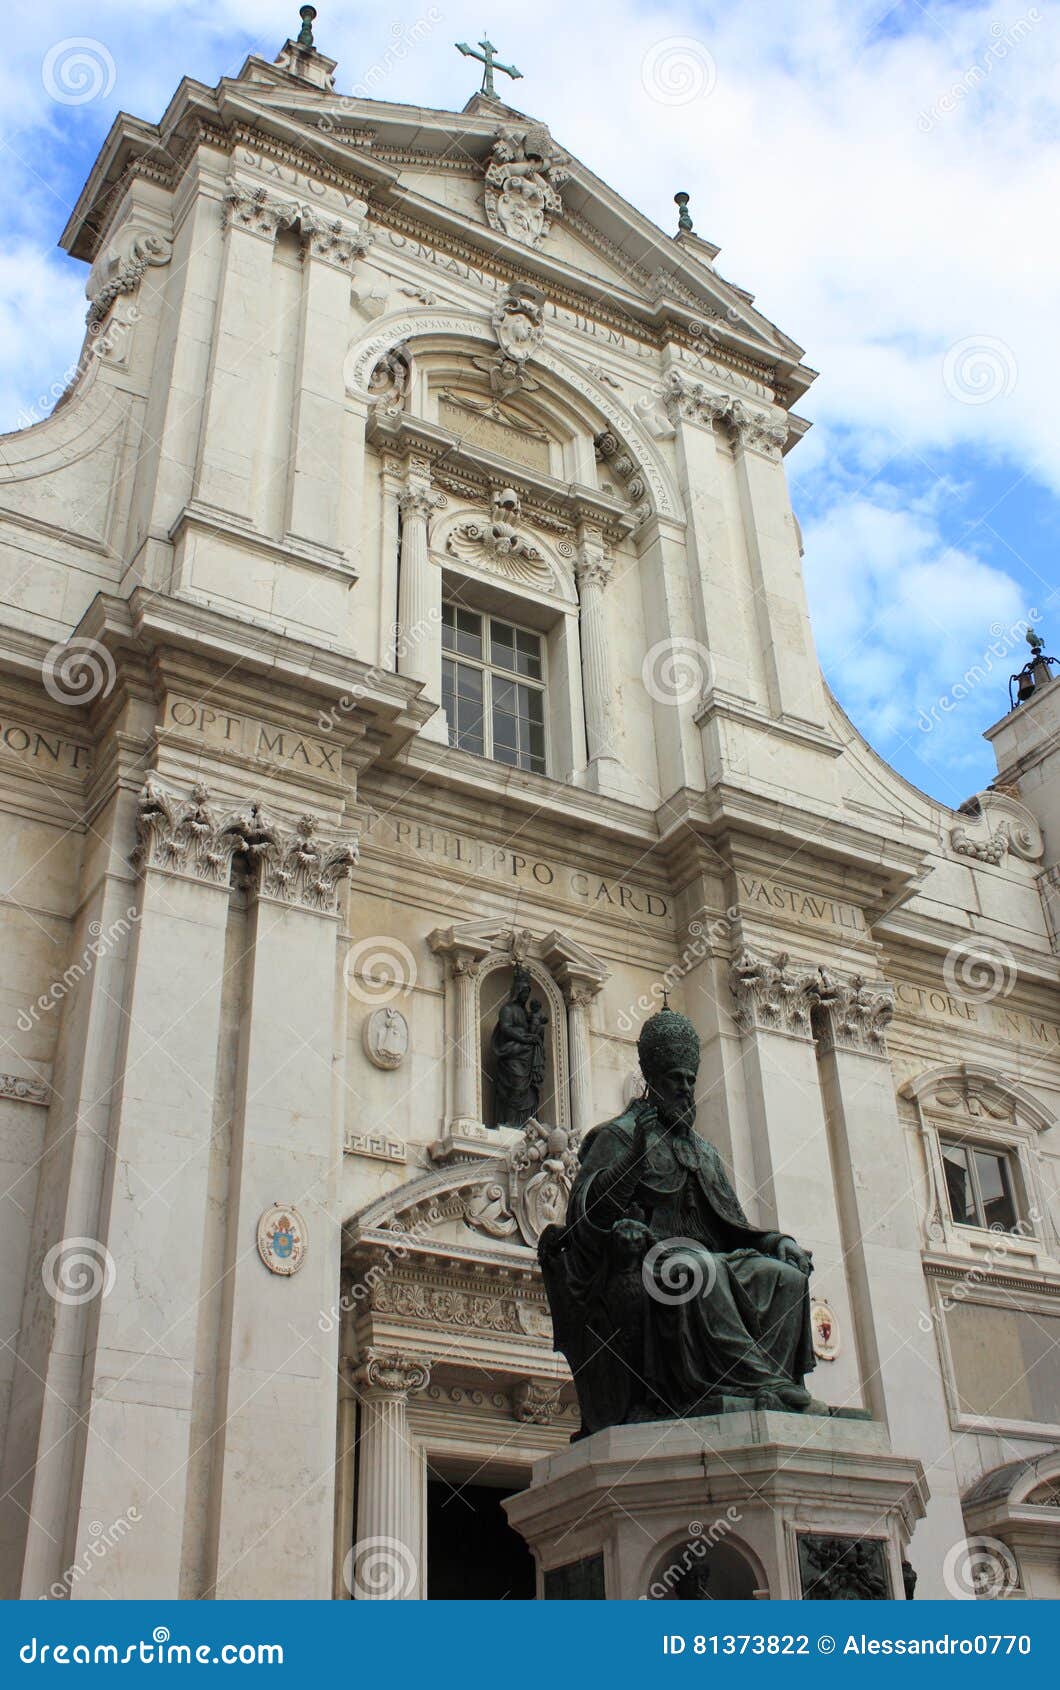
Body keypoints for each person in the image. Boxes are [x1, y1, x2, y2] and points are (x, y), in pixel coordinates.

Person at [540, 1005, 816, 1435]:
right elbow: (588, 1216)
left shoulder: (703, 1151)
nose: (686, 1089)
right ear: (652, 1081)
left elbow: (734, 1224)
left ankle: (767, 1390)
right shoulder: (618, 1135)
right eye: (675, 1079)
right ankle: (760, 1383)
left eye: (690, 1079)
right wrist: (635, 1155)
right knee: (698, 1269)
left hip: (713, 1261)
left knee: (785, 1279)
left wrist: (777, 1242)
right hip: (652, 1259)